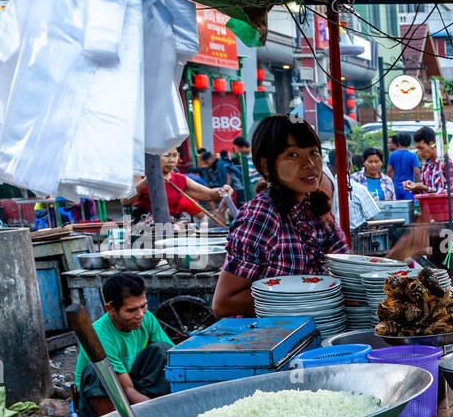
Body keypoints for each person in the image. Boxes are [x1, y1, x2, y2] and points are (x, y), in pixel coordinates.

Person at [212, 115, 347, 317]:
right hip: (267, 339)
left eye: (313, 152)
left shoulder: (315, 209)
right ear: (266, 165)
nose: (310, 163)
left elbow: (348, 266)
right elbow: (223, 303)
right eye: (293, 154)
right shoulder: (263, 215)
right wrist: (309, 297)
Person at [73, 271, 174, 417]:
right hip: (105, 399)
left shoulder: (146, 318)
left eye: (143, 306)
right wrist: (158, 416)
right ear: (111, 309)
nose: (140, 314)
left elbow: (171, 357)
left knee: (162, 351)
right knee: (97, 371)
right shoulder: (99, 336)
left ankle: (154, 415)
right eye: (131, 310)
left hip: (133, 386)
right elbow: (127, 390)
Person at [129, 147, 231, 221]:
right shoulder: (140, 175)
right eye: (166, 155)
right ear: (153, 157)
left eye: (174, 155)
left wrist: (222, 190)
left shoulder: (179, 179)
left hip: (173, 227)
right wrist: (147, 181)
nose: (172, 160)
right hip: (145, 228)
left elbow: (208, 194)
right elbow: (125, 201)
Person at [404, 125, 453, 197]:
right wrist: (413, 187)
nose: (419, 152)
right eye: (417, 149)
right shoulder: (426, 165)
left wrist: (427, 189)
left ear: (431, 144)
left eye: (421, 148)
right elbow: (423, 192)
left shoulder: (447, 164)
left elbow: (451, 193)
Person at [386, 132, 420, 202]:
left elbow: (389, 171)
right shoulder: (413, 156)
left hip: (396, 186)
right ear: (410, 142)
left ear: (398, 142)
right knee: (410, 208)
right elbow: (417, 172)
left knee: (398, 208)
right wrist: (420, 185)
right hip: (409, 187)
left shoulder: (393, 155)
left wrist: (389, 184)